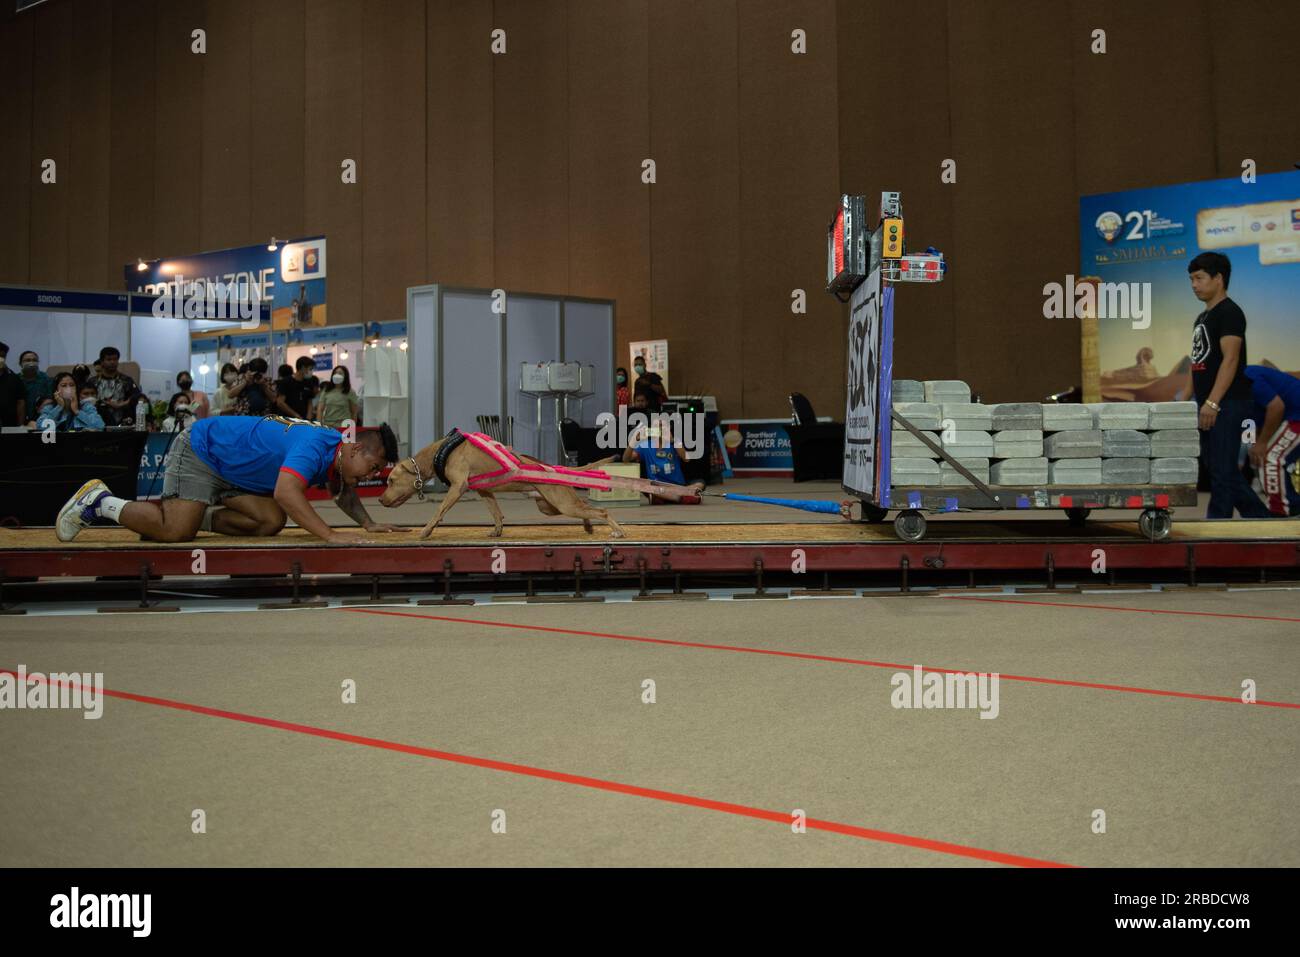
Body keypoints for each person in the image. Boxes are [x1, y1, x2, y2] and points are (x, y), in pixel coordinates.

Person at [56, 416, 402, 544]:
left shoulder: (336, 449)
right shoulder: (314, 446)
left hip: (237, 472)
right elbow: (285, 491)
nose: (373, 475)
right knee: (176, 532)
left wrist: (368, 524)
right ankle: (99, 502)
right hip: (203, 451)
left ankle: (194, 512)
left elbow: (342, 493)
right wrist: (329, 536)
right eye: (374, 466)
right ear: (356, 449)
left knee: (269, 522)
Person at [1186, 252, 1269, 518]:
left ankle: (1215, 531)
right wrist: (1186, 399)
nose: (1194, 284)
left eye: (1199, 278)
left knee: (1222, 472)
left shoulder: (1230, 313)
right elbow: (1199, 360)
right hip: (1209, 403)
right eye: (1191, 279)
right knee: (1217, 468)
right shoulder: (1202, 318)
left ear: (1218, 278)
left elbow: (1231, 359)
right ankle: (1263, 520)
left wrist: (1212, 402)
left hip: (1228, 402)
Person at [621, 389, 700, 505]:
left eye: (662, 426)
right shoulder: (645, 445)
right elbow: (625, 460)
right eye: (656, 426)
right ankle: (679, 498)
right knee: (643, 485)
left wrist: (673, 440)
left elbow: (686, 458)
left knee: (700, 482)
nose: (659, 429)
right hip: (657, 485)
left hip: (677, 485)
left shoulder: (674, 443)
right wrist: (632, 442)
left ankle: (664, 497)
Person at [1244, 365, 1300, 517]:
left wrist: (1262, 444)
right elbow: (1260, 422)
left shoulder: (1248, 377)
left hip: (1296, 416)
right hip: (1292, 416)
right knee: (1265, 455)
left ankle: (1281, 512)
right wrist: (1257, 444)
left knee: (1271, 457)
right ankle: (1290, 505)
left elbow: (1276, 407)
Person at [86, 346, 142, 427]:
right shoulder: (93, 381)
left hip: (122, 424)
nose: (112, 362)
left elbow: (138, 398)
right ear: (101, 362)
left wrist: (121, 404)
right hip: (97, 424)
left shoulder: (126, 380)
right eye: (109, 359)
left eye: (115, 359)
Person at [33, 372, 104, 432]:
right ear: (56, 390)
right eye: (64, 385)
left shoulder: (86, 406)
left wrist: (77, 411)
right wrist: (59, 408)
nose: (68, 388)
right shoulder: (49, 408)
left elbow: (100, 426)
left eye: (72, 385)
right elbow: (40, 427)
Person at [17, 350, 53, 415]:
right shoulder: (15, 379)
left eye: (34, 360)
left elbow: (51, 397)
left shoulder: (46, 379)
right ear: (20, 363)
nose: (31, 363)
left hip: (40, 416)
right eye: (28, 360)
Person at [0, 341, 26, 427]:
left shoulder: (14, 378)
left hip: (9, 425)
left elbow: (20, 403)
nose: (0, 358)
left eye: (2, 356)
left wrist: (20, 426)